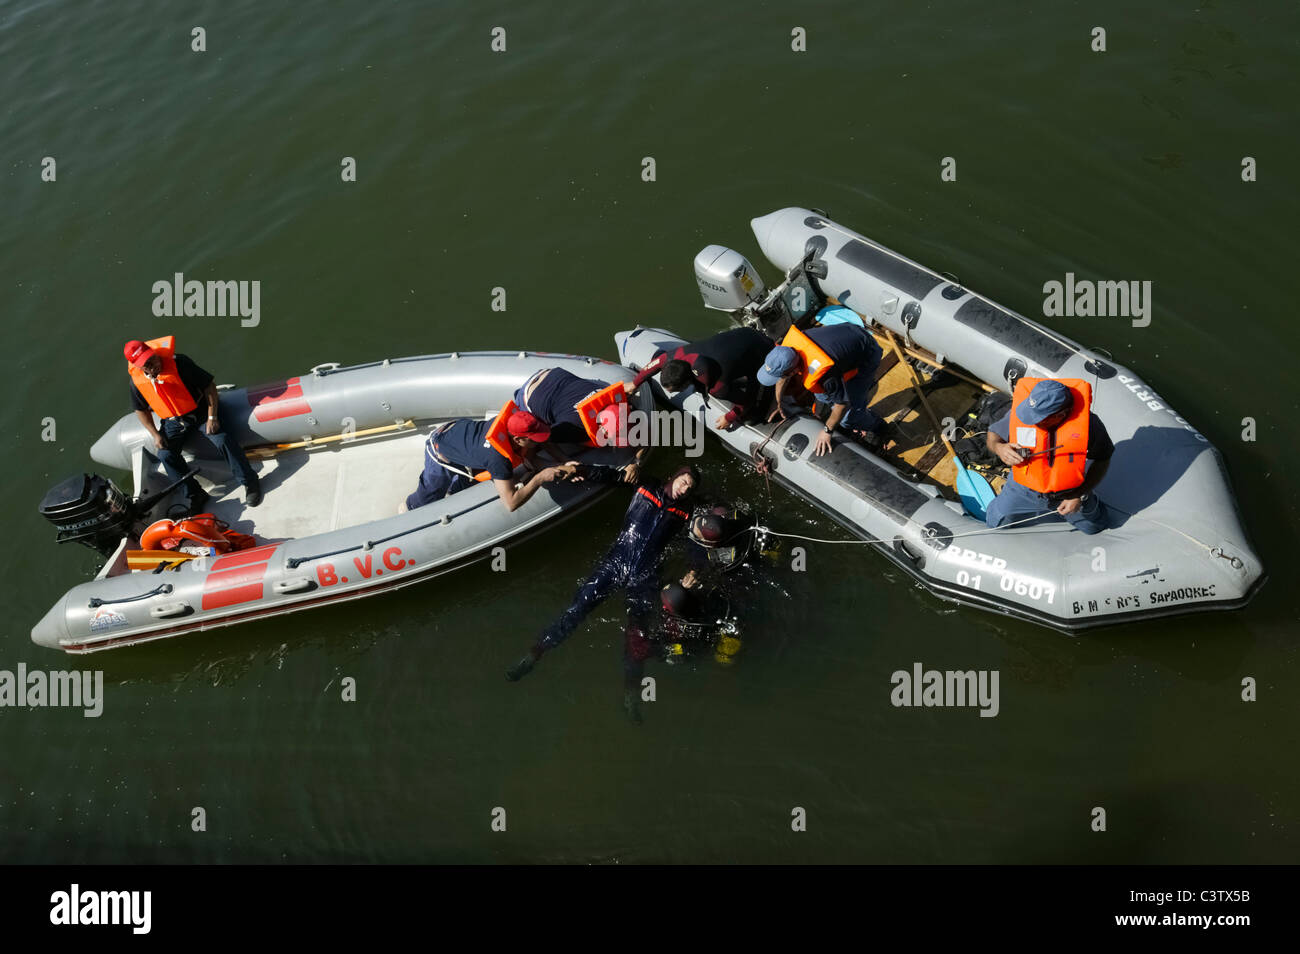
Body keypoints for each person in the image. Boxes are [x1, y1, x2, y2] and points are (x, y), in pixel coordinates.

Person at [505, 464, 700, 718]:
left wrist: (695, 569)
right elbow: (612, 476)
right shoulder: (646, 485)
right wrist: (582, 470)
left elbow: (697, 541)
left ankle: (631, 696)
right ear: (674, 476)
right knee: (579, 607)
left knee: (638, 634)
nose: (684, 490)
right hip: (615, 563)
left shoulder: (686, 511)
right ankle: (534, 654)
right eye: (683, 482)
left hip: (645, 575)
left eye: (689, 488)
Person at [124, 337, 261, 514]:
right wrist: (155, 434)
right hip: (174, 421)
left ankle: (250, 481)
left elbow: (209, 387)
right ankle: (195, 494)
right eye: (146, 365)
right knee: (166, 455)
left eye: (153, 359)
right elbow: (140, 410)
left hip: (201, 411)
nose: (153, 366)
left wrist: (212, 417)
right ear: (138, 367)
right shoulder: (136, 383)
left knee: (222, 440)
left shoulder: (180, 363)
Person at [984, 378, 1112, 534]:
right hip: (1023, 488)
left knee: (1094, 527)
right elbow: (993, 434)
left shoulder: (1090, 425)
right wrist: (999, 447)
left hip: (1069, 492)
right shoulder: (1023, 411)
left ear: (1059, 415)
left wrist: (1079, 494)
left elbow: (1103, 458)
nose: (1030, 419)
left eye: (1038, 418)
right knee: (995, 522)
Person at [404, 407, 569, 514]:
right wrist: (539, 478)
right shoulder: (497, 459)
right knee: (430, 494)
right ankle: (409, 506)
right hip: (440, 449)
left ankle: (456, 487)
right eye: (534, 439)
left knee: (469, 477)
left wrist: (563, 461)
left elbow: (534, 451)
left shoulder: (510, 424)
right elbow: (510, 503)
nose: (539, 442)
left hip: (462, 436)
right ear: (518, 440)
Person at [757, 321, 886, 456]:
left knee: (848, 418)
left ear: (793, 371)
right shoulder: (786, 352)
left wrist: (827, 431)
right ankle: (840, 415)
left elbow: (842, 404)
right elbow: (783, 376)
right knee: (821, 394)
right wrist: (778, 402)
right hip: (847, 335)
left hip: (867, 352)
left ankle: (879, 427)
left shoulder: (826, 378)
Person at [630, 327, 775, 430]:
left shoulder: (717, 387)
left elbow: (746, 401)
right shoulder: (678, 356)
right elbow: (656, 362)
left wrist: (729, 417)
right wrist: (635, 383)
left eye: (676, 390)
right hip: (746, 332)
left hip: (763, 351)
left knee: (751, 414)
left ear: (687, 382)